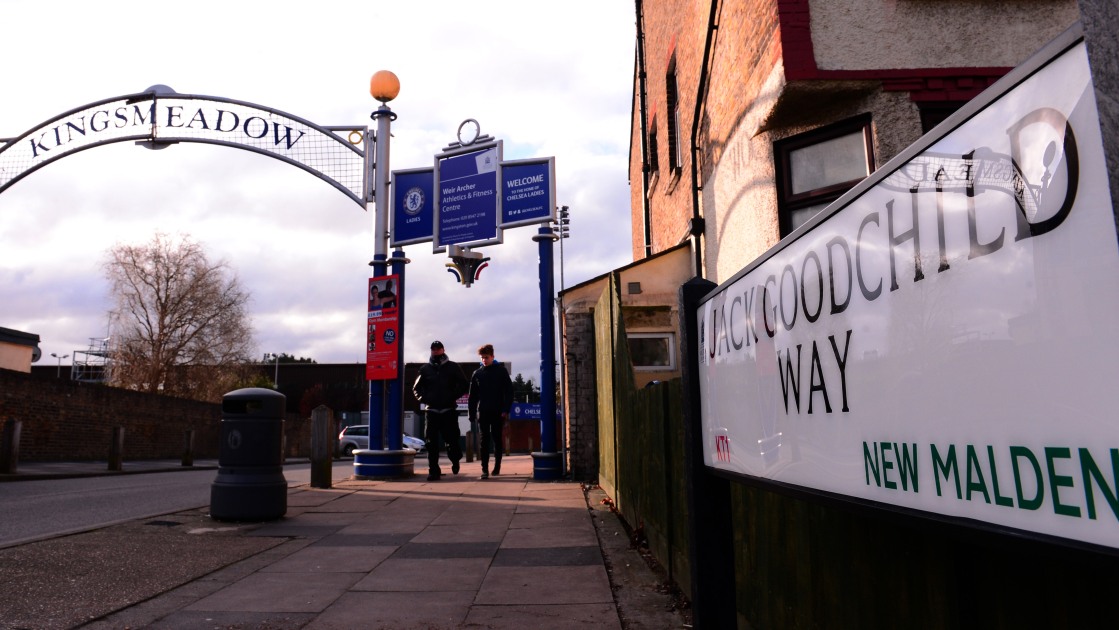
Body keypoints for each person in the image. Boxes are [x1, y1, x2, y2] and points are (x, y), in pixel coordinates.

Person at [412, 340, 468, 481]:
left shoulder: (453, 367)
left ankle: (455, 460)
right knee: (431, 443)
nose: (436, 351)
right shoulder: (425, 369)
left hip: (448, 410)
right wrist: (424, 399)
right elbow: (416, 388)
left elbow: (464, 385)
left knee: (452, 441)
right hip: (431, 411)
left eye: (438, 348)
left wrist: (452, 396)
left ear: (443, 350)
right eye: (433, 349)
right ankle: (434, 471)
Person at [468, 343, 513, 479]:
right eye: (482, 357)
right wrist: (471, 413)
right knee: (484, 441)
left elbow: (509, 392)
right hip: (483, 412)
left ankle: (497, 467)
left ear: (492, 356)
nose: (484, 360)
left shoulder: (501, 371)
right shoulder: (477, 374)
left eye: (486, 357)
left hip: (498, 411)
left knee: (497, 439)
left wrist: (506, 409)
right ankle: (484, 470)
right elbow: (472, 396)